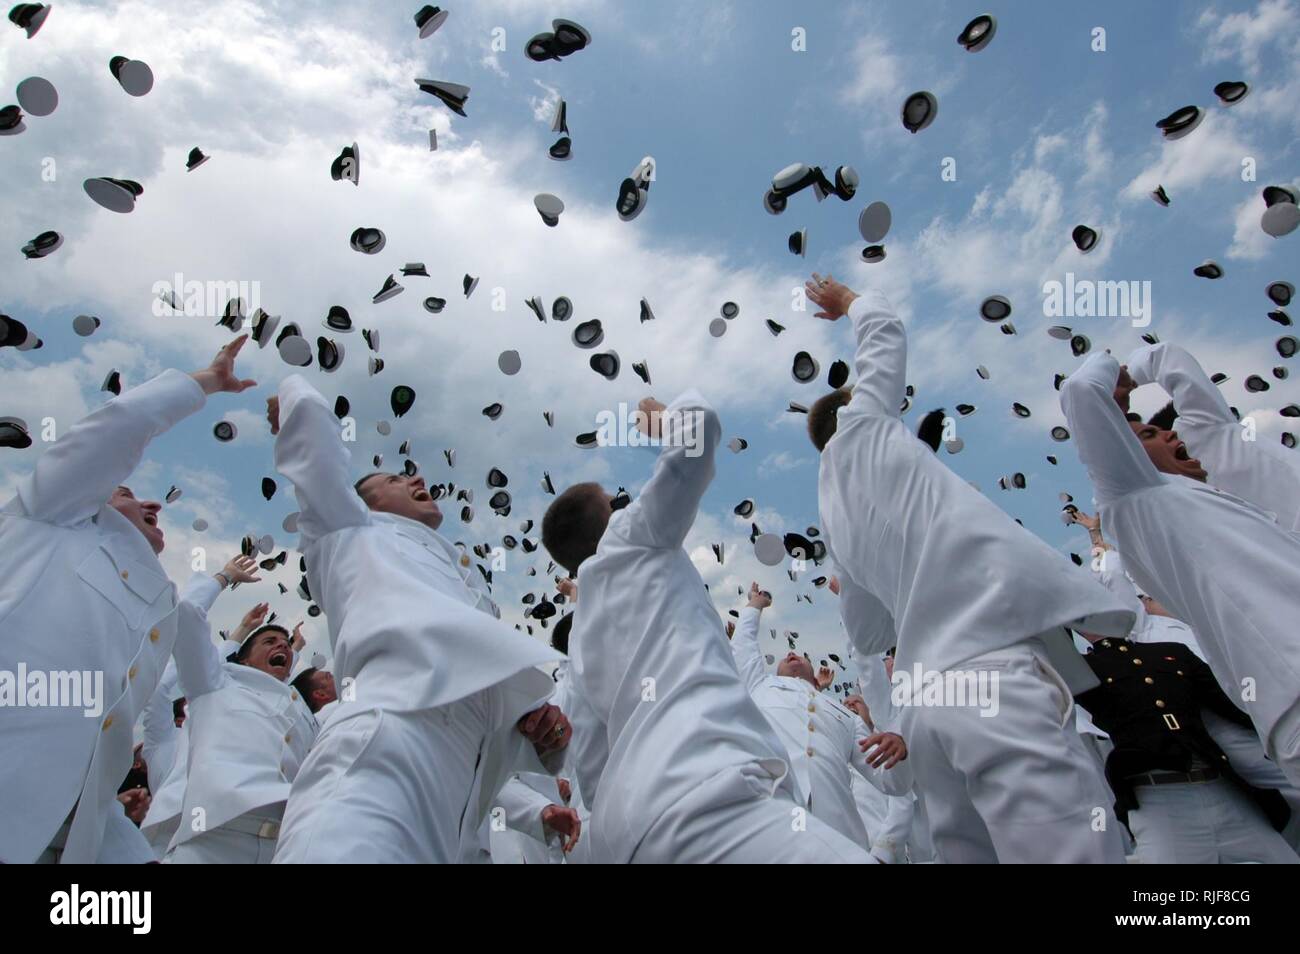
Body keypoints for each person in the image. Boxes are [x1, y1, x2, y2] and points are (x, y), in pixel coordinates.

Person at [806, 273, 1132, 863]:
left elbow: (869, 634)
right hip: (992, 674)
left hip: (930, 708)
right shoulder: (865, 426)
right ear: (855, 409)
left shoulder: (831, 515)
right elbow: (885, 333)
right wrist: (850, 302)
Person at [542, 390, 874, 863]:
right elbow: (698, 429)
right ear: (609, 521)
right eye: (616, 501)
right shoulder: (628, 537)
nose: (626, 503)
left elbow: (592, 767)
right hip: (712, 797)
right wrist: (661, 423)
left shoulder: (579, 645)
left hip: (632, 833)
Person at [266, 375, 568, 863]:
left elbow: (482, 718)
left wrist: (532, 729)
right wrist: (294, 391)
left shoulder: (467, 588)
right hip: (384, 754)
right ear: (365, 503)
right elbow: (314, 448)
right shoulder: (348, 533)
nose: (414, 479)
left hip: (462, 809)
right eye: (394, 480)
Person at [0, 337, 256, 864]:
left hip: (77, 827)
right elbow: (112, 430)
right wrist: (205, 382)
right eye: (124, 493)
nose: (152, 502)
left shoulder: (156, 601)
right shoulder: (52, 517)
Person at [1060, 350, 1300, 787]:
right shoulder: (1138, 500)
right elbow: (1082, 391)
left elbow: (1212, 422)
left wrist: (1156, 364)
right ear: (1125, 458)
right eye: (1151, 433)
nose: (1171, 437)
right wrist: (1128, 372)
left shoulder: (1225, 503)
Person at [1074, 631, 1296, 863]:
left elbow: (1236, 708)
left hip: (1221, 787)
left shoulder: (1172, 651)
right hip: (1158, 800)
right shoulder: (1081, 668)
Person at [165, 549, 320, 863]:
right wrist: (225, 577)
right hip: (213, 843)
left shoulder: (303, 713)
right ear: (245, 658)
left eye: (286, 644)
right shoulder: (215, 684)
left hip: (290, 848)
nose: (282, 646)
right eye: (269, 641)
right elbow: (185, 615)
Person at [731, 582, 912, 846]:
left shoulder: (845, 715)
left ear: (816, 678)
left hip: (840, 838)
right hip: (768, 827)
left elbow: (892, 783)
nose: (791, 653)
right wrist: (756, 605)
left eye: (800, 655)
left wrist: (900, 751)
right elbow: (743, 648)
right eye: (785, 657)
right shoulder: (758, 685)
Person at [1121, 341, 1300, 531]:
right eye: (1148, 434)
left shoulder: (1201, 428)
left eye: (1154, 430)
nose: (1169, 434)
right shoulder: (1177, 512)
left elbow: (1164, 356)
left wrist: (1119, 379)